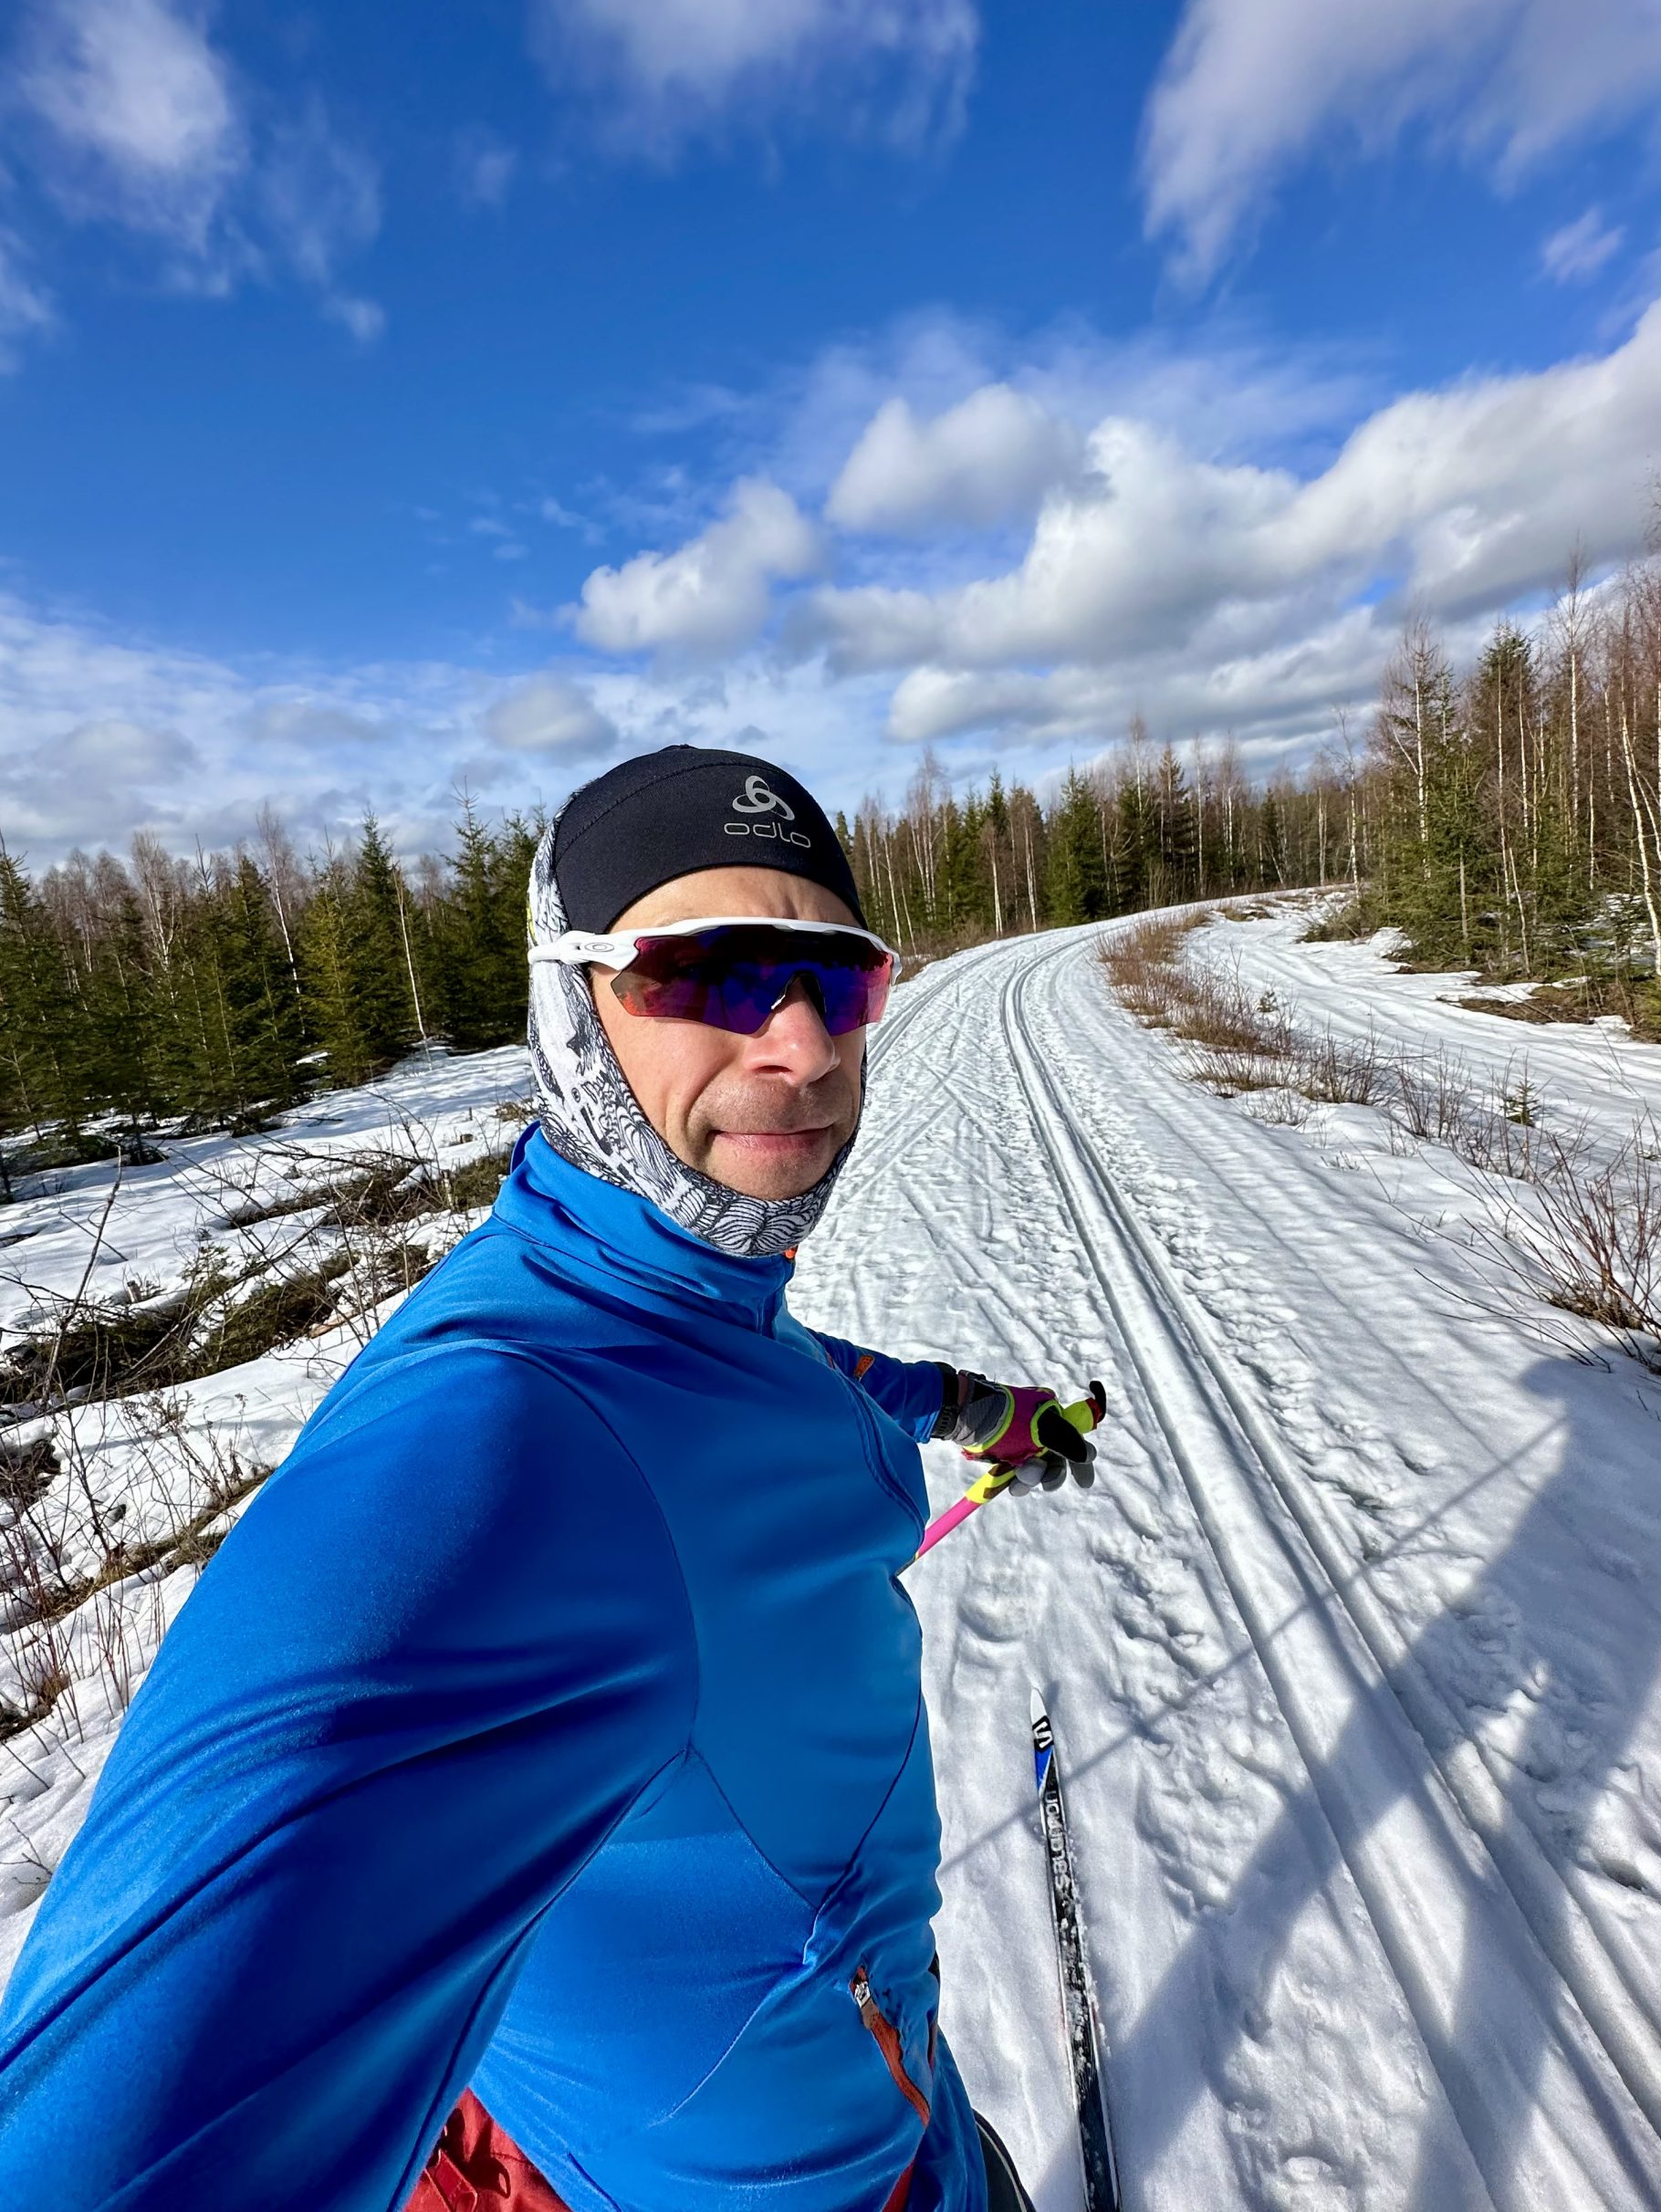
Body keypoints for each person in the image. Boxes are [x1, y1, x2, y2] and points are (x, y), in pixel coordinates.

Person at [0, 746, 1100, 2212]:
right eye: (705, 974)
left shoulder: (666, 1302)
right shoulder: (506, 1439)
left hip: (748, 2096)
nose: (797, 1042)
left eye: (836, 981)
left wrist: (976, 1406)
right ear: (570, 1009)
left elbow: (788, 1374)